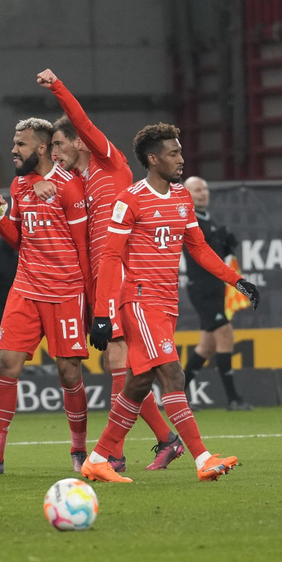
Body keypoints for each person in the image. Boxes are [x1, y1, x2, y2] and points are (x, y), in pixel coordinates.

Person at [81, 123, 260, 483]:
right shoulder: (129, 199)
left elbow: (198, 248)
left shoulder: (180, 197)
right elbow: (110, 259)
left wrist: (235, 280)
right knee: (173, 376)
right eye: (173, 153)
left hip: (167, 304)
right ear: (153, 159)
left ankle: (97, 458)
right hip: (140, 301)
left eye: (180, 151)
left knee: (138, 385)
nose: (181, 159)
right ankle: (202, 458)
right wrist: (102, 314)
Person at [33, 69, 181, 472]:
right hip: (103, 279)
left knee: (120, 358)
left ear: (79, 141)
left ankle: (114, 452)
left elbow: (81, 120)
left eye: (60, 143)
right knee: (123, 364)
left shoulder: (109, 162)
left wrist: (58, 88)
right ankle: (166, 439)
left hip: (125, 274)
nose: (56, 150)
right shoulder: (79, 179)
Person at [0, 118, 93, 475]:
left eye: (22, 144)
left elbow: (84, 248)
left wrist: (93, 304)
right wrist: (0, 218)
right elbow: (20, 241)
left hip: (65, 292)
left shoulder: (71, 188)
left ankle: (79, 451)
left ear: (42, 148)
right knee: (5, 365)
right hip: (26, 288)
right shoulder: (20, 185)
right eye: (14, 143)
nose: (13, 150)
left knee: (69, 372)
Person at [181, 176, 252, 410]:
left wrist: (226, 242)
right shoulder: (189, 219)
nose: (202, 193)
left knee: (207, 346)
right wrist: (219, 239)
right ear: (187, 194)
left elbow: (217, 251)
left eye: (205, 189)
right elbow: (201, 251)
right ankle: (233, 399)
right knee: (225, 334)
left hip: (215, 288)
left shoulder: (208, 219)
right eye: (197, 190)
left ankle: (176, 396)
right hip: (203, 289)